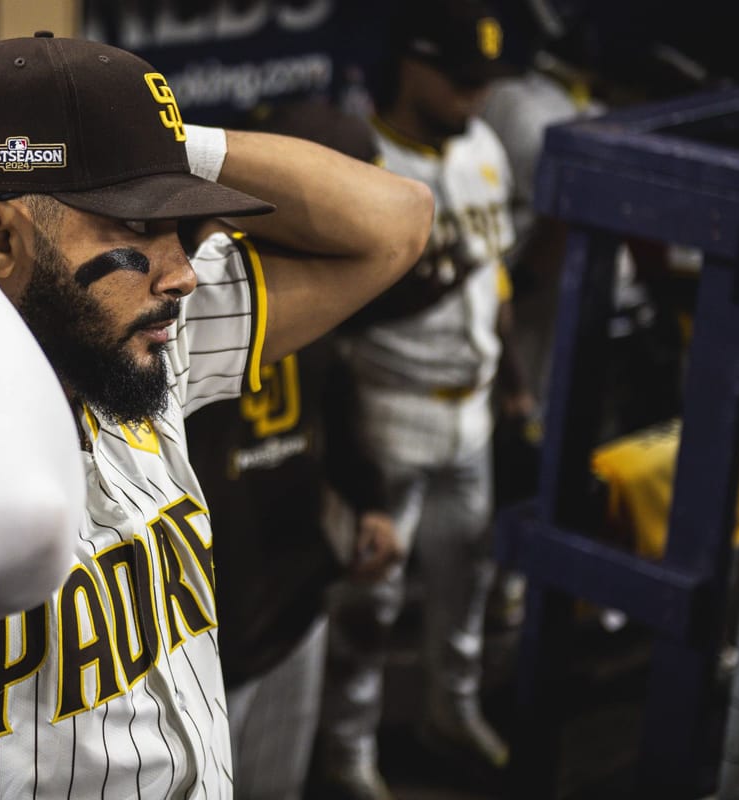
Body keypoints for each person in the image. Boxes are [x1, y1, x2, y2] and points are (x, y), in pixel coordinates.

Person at [0, 31, 433, 799]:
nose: (183, 274)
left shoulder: (134, 353)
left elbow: (398, 223)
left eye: (177, 226)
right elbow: (10, 519)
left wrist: (150, 141)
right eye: (135, 226)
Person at [311, 1, 531, 796]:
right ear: (412, 63)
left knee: (465, 583)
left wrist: (514, 386)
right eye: (459, 79)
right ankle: (348, 757)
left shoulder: (485, 148)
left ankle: (452, 710)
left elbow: (494, 277)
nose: (475, 98)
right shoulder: (357, 162)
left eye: (484, 82)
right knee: (368, 603)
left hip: (469, 410)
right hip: (387, 408)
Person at [181, 96, 391, 800]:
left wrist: (369, 499)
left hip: (294, 588)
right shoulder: (189, 280)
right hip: (199, 626)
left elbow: (337, 395)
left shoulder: (319, 285)